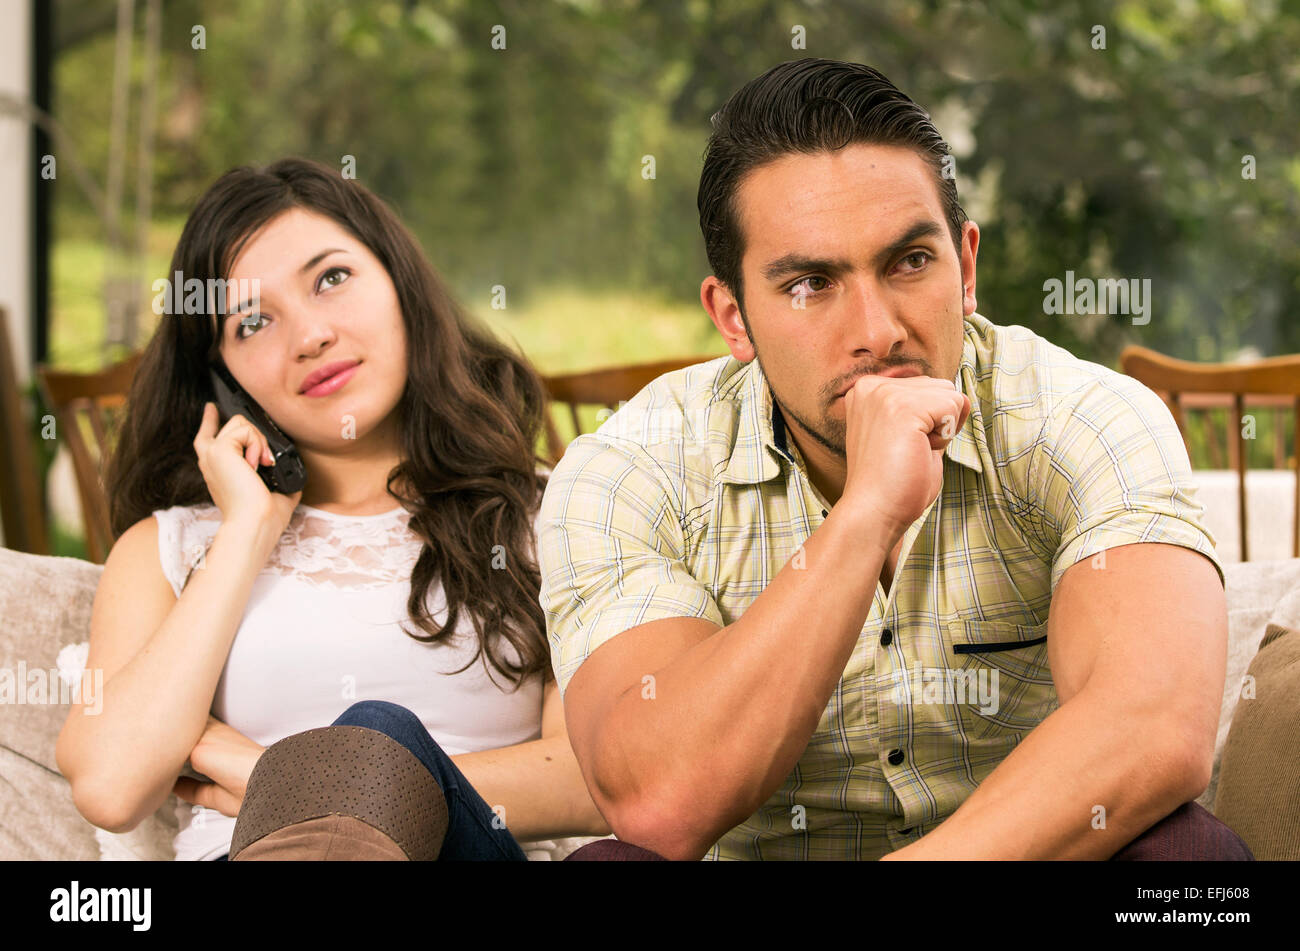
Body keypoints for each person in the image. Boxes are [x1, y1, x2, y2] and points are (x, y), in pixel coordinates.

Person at [538, 59, 1254, 861]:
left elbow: (1154, 723)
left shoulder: (1085, 417)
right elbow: (656, 799)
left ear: (967, 266)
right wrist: (866, 514)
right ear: (734, 318)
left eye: (910, 261)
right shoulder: (632, 469)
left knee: (1192, 863)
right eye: (811, 283)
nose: (878, 331)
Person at [55, 156, 610, 861]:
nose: (310, 335)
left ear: (400, 285)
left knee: (379, 729)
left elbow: (594, 779)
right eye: (253, 321)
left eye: (332, 279)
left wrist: (284, 775)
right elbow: (110, 782)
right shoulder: (170, 545)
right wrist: (249, 530)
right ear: (222, 379)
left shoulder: (548, 516)